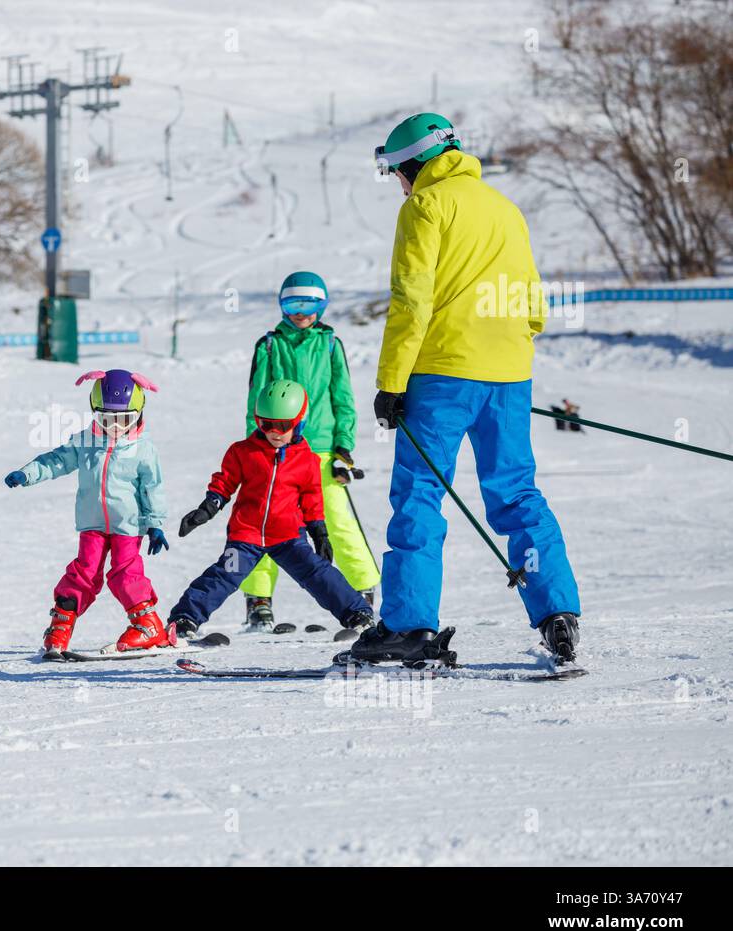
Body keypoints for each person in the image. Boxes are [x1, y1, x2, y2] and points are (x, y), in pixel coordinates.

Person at [355, 112, 581, 666]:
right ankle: (558, 613)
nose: (398, 184)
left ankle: (409, 626)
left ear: (414, 162)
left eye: (396, 171)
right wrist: (503, 354)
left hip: (440, 375)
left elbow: (412, 302)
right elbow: (533, 307)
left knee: (419, 496)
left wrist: (391, 384)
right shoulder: (505, 208)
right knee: (517, 493)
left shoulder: (426, 207)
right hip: (508, 377)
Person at [167, 380, 373, 639]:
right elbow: (225, 482)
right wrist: (207, 508)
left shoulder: (307, 460)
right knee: (223, 576)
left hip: (288, 535)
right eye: (266, 424)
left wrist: (319, 532)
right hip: (247, 535)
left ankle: (358, 614)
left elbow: (312, 498)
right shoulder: (243, 452)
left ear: (299, 422)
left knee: (317, 572)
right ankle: (184, 619)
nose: (275, 432)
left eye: (284, 425)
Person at [240, 270, 381, 631]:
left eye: (310, 304)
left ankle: (363, 592)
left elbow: (344, 400)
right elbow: (255, 400)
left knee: (337, 520)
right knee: (267, 521)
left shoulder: (331, 344)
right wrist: (254, 452)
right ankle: (258, 601)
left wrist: (343, 449)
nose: (301, 312)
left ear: (323, 305)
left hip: (319, 451)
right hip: (276, 448)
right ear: (281, 306)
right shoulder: (270, 345)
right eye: (293, 303)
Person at [4, 369, 171, 660]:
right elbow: (57, 460)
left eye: (124, 420)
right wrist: (27, 473)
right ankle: (60, 625)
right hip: (92, 524)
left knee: (124, 574)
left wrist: (155, 524)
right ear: (95, 413)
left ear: (138, 413)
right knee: (84, 573)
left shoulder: (143, 450)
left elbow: (152, 488)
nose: (116, 427)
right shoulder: (86, 441)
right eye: (107, 420)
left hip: (128, 526)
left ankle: (148, 624)